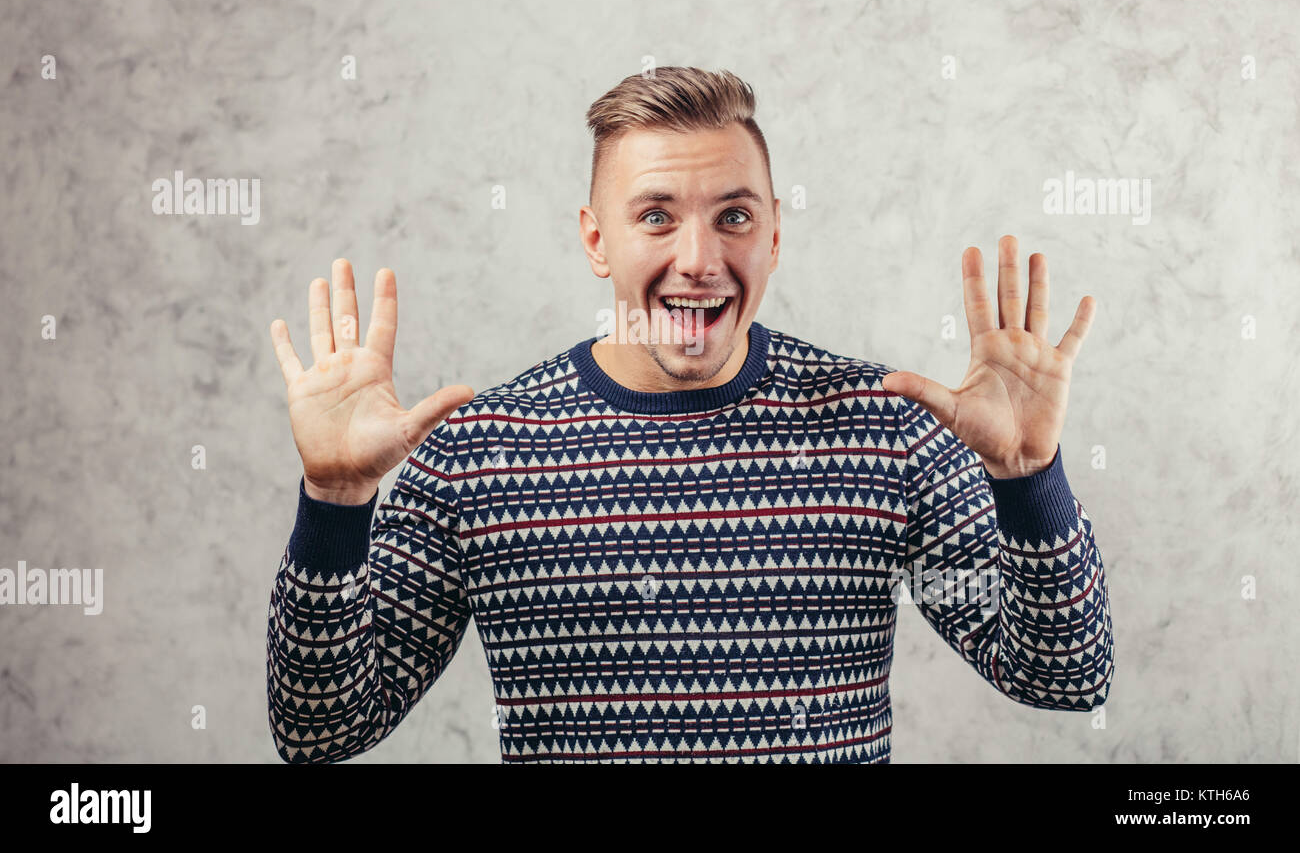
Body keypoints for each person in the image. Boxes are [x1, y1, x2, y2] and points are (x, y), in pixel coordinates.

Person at [265, 66, 1113, 763]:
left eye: (733, 217)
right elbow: (320, 730)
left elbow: (1065, 676)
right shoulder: (478, 453)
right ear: (598, 241)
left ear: (774, 235)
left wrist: (1027, 478)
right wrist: (333, 503)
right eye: (656, 216)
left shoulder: (883, 431)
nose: (698, 260)